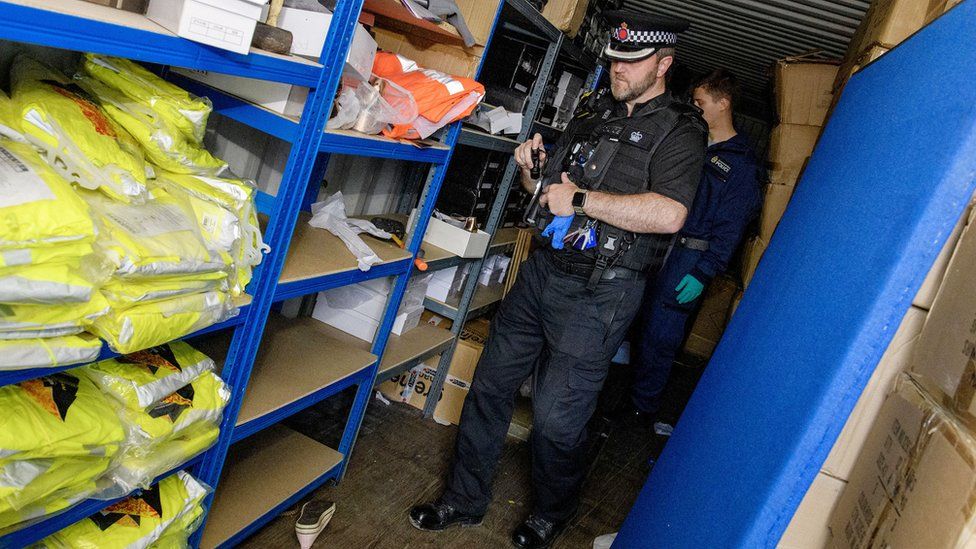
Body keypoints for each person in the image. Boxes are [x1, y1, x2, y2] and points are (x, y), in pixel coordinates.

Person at [409, 11, 707, 549]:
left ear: (663, 64)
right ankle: (463, 498)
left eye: (631, 62)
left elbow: (669, 215)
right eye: (614, 58)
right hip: (543, 271)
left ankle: (551, 511)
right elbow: (546, 189)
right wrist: (531, 167)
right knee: (490, 386)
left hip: (603, 290)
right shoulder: (594, 111)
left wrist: (584, 200)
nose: (617, 70)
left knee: (555, 421)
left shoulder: (681, 130)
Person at [626, 69, 762, 424]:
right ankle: (622, 395)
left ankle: (642, 410)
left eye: (700, 102)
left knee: (661, 334)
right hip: (659, 243)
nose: (694, 108)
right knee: (635, 319)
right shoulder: (691, 142)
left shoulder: (741, 164)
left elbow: (732, 226)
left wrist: (704, 271)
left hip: (690, 256)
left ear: (724, 103)